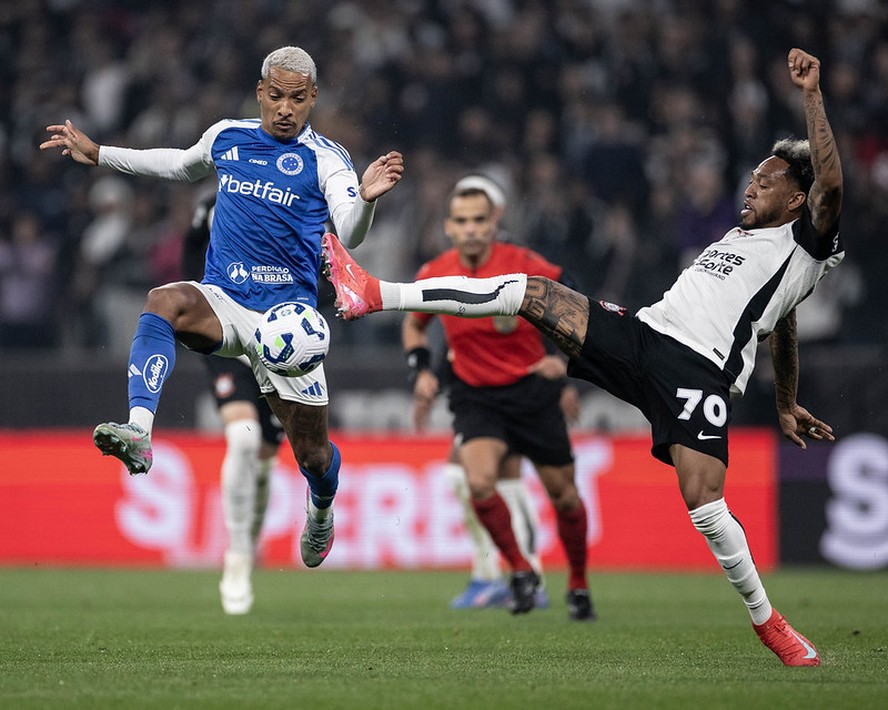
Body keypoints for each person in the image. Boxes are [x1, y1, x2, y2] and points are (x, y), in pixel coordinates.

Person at [322, 49, 840, 665]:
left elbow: (831, 185)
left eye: (767, 179)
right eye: (753, 175)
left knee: (704, 502)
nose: (751, 185)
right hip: (645, 334)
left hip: (697, 370)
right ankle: (375, 292)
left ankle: (769, 623)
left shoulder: (808, 239)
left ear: (798, 200)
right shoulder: (746, 241)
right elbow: (779, 323)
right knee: (531, 291)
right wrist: (785, 402)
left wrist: (811, 94)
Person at [40, 46, 404, 571]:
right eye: (275, 96)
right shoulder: (227, 137)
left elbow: (349, 231)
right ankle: (139, 432)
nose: (284, 108)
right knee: (162, 301)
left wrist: (367, 200)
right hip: (225, 301)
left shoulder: (327, 158)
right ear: (260, 92)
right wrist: (100, 154)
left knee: (314, 457)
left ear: (313, 99)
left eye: (297, 99)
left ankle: (322, 507)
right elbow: (179, 164)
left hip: (287, 326)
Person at [402, 179, 595, 619]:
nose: (471, 229)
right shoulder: (434, 273)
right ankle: (521, 570)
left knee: (564, 496)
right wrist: (421, 371)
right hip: (475, 396)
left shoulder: (525, 266)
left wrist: (563, 363)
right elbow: (414, 325)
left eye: (479, 221)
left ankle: (579, 584)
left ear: (494, 224)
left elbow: (579, 308)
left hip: (532, 393)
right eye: (462, 221)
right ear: (448, 227)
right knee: (479, 482)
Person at [183, 190, 284, 615]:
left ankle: (250, 541)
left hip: (281, 343)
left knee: (263, 459)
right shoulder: (209, 206)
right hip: (228, 342)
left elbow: (321, 275)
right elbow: (190, 269)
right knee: (242, 441)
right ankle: (237, 559)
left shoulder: (296, 199)